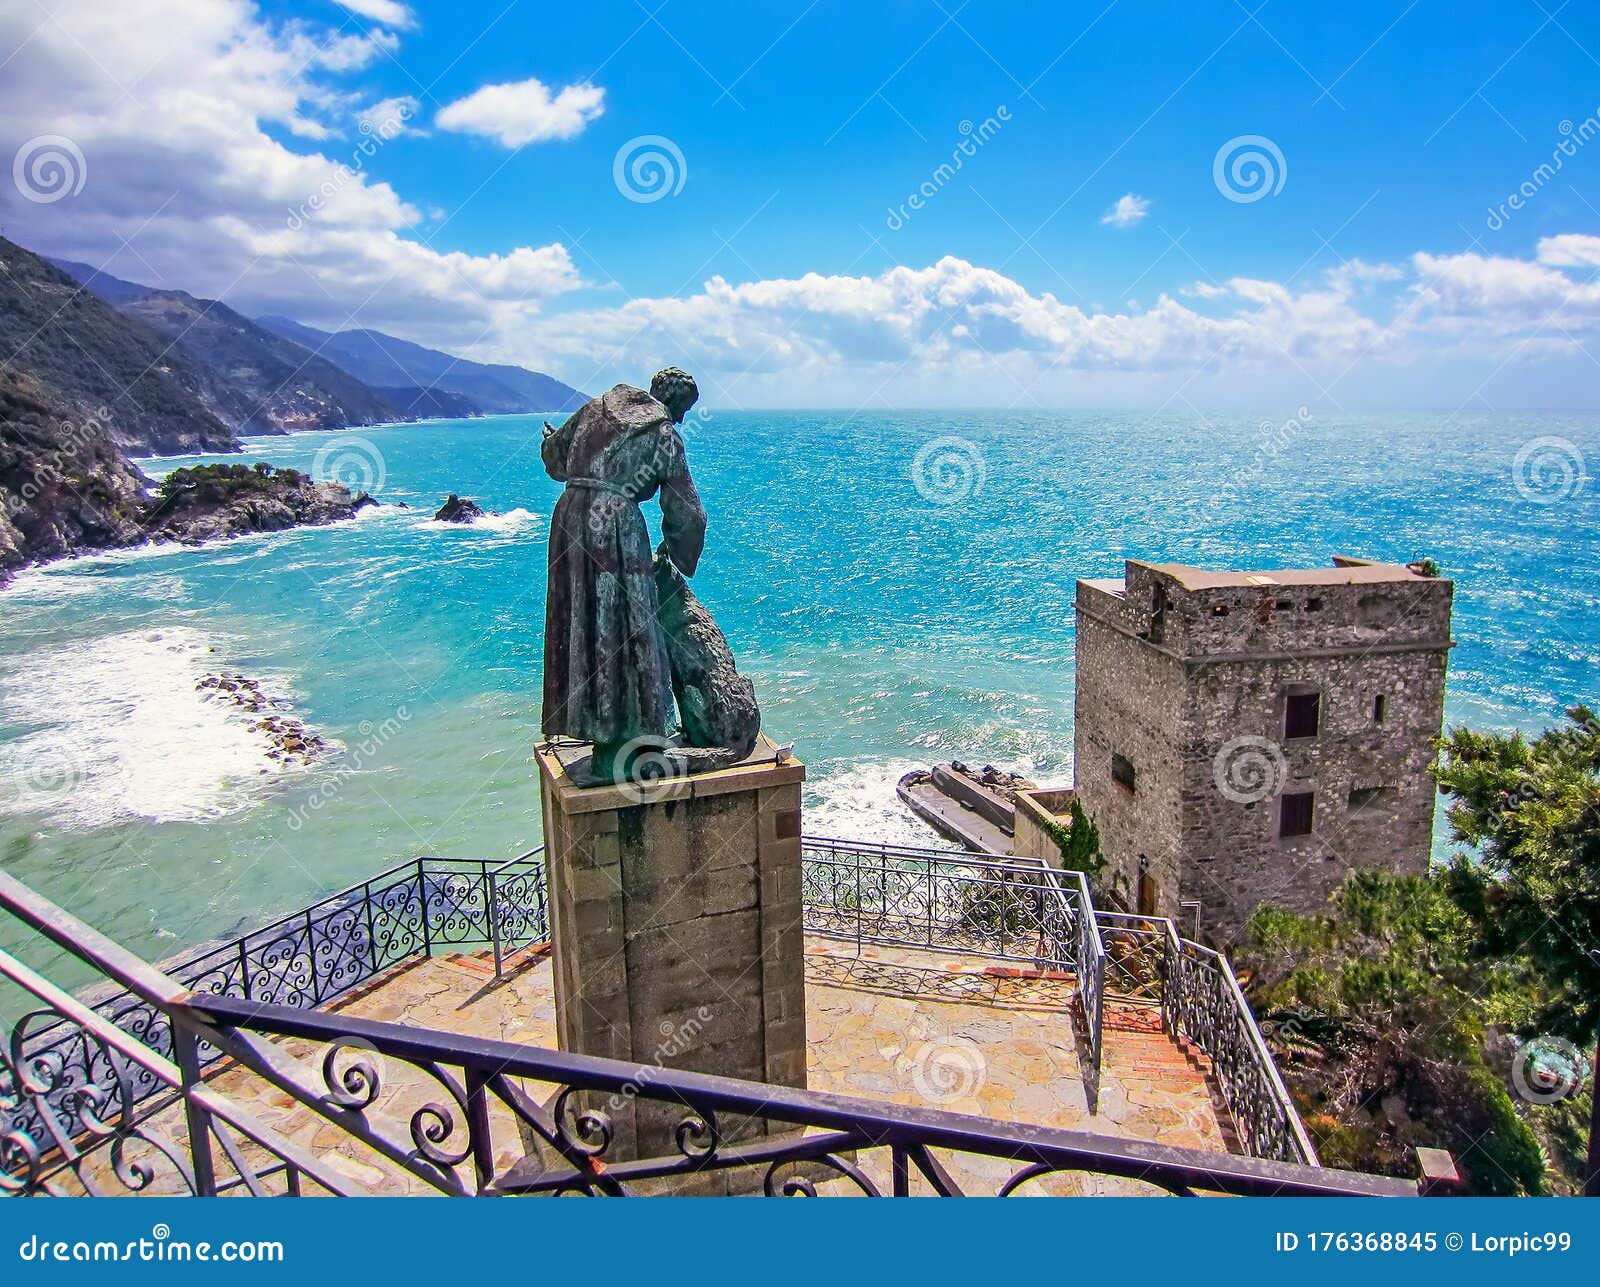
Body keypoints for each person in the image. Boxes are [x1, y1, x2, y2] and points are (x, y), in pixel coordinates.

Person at [540, 368, 706, 780]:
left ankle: (598, 727)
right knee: (626, 628)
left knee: (581, 622)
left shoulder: (594, 407)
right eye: (683, 410)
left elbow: (555, 459)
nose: (681, 420)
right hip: (614, 527)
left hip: (570, 519)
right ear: (675, 402)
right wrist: (677, 549)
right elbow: (687, 510)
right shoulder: (664, 435)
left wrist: (549, 442)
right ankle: (627, 739)